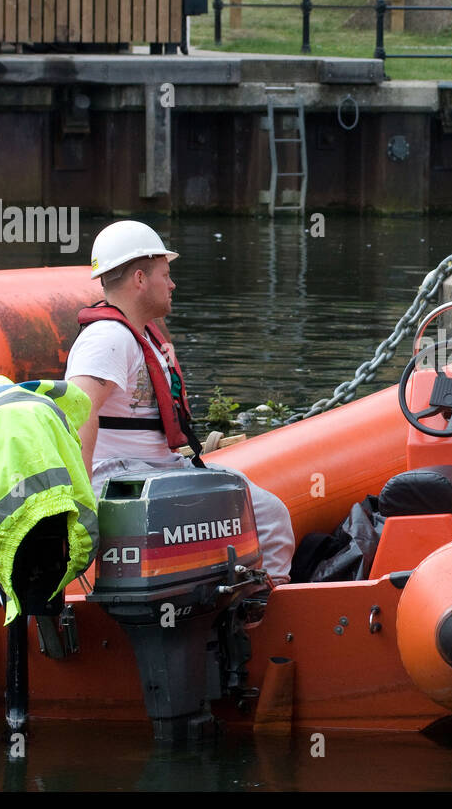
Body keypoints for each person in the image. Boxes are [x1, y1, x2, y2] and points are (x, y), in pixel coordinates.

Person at [66, 220, 295, 586]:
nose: (172, 284)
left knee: (268, 514)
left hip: (154, 468)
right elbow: (79, 411)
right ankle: (264, 608)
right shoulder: (108, 338)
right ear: (140, 278)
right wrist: (78, 499)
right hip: (122, 475)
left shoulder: (141, 336)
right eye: (165, 274)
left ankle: (251, 601)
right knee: (267, 517)